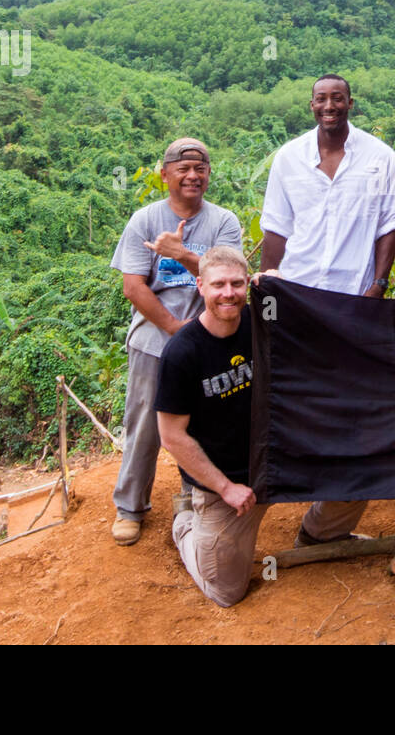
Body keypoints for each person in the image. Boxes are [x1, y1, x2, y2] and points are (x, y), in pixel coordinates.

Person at [259, 73, 395, 545]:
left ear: (350, 104)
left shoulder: (379, 157)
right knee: (298, 393)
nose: (329, 106)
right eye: (321, 99)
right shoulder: (289, 159)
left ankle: (329, 517)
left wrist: (377, 287)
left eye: (337, 98)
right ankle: (287, 489)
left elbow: (389, 226)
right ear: (311, 105)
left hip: (352, 299)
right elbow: (276, 231)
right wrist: (269, 295)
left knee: (349, 397)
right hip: (298, 296)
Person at [108, 138, 242, 546]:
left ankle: (193, 497)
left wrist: (180, 252)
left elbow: (230, 277)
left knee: (206, 422)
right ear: (164, 174)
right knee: (146, 422)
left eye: (199, 168)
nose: (192, 175)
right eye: (182, 168)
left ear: (208, 174)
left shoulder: (223, 222)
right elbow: (134, 287)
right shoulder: (144, 220)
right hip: (156, 334)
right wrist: (176, 329)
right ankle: (130, 506)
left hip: (212, 332)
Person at [156, 247, 264, 607]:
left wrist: (279, 286)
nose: (228, 293)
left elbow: (314, 319)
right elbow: (171, 436)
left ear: (247, 283)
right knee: (227, 592)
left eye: (237, 283)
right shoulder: (181, 353)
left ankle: (319, 534)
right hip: (226, 484)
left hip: (272, 461)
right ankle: (185, 522)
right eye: (218, 284)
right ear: (200, 285)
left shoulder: (262, 319)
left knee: (351, 472)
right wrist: (225, 487)